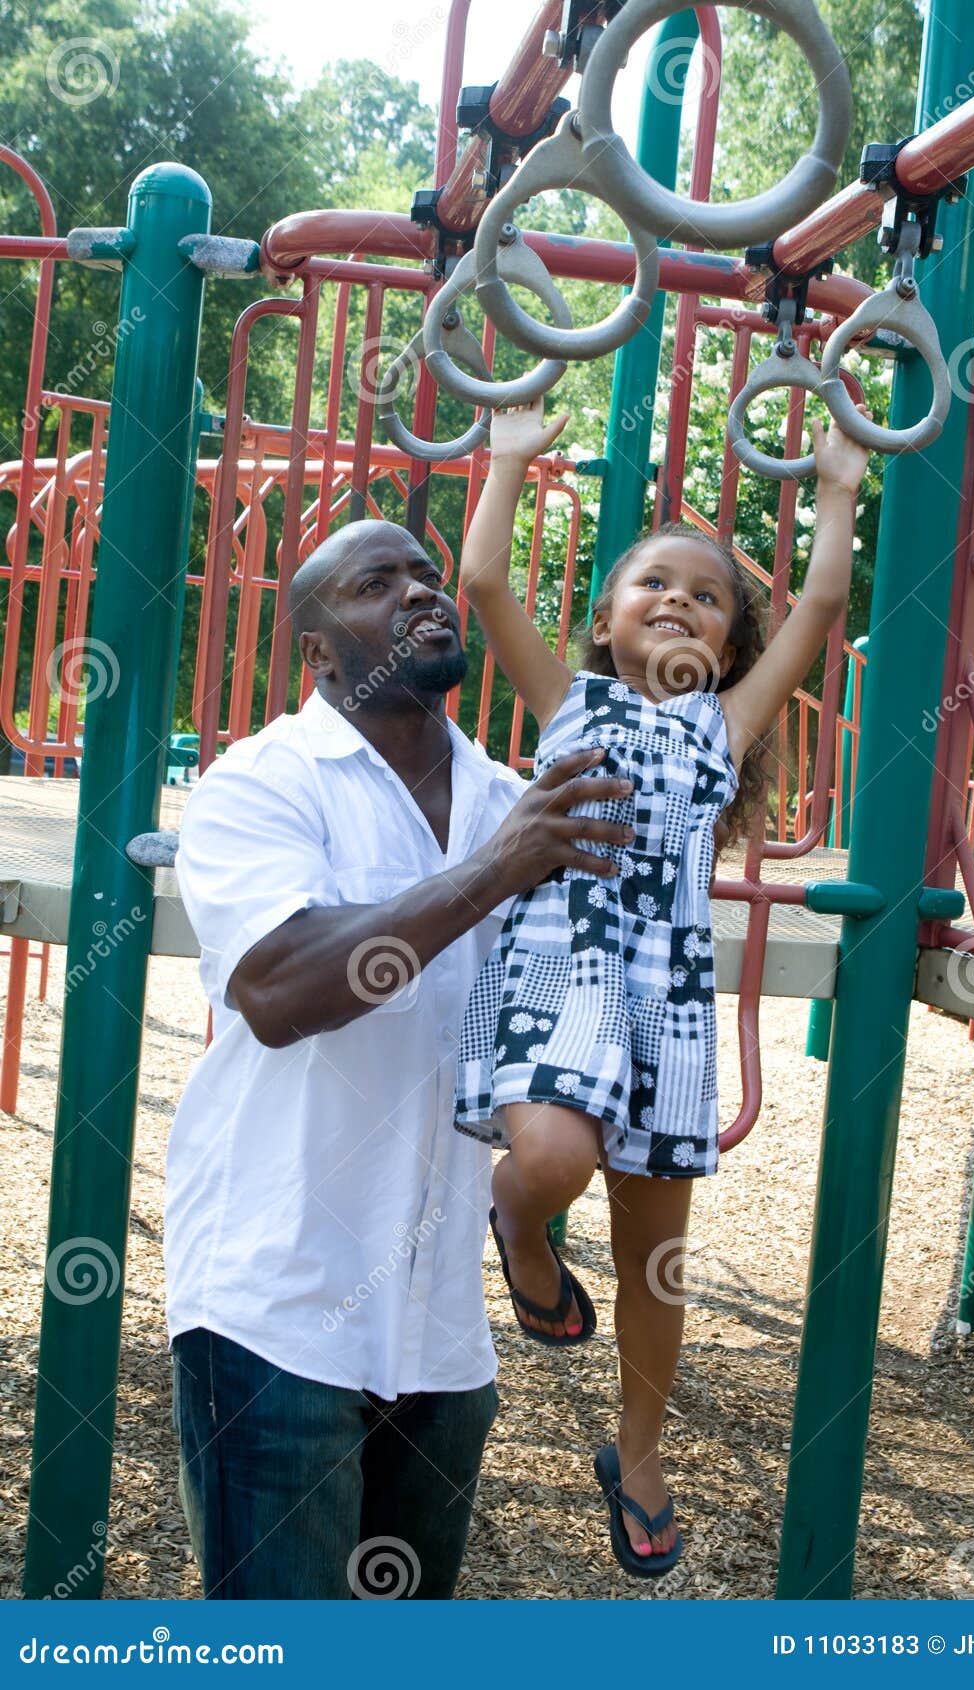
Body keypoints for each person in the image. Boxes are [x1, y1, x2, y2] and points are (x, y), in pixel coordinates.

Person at [164, 518, 635, 1600]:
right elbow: (281, 990)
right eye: (377, 583)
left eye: (428, 573)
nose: (423, 592)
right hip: (272, 1308)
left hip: (436, 1333)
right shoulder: (260, 783)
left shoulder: (509, 798)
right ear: (321, 652)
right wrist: (495, 870)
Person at [454, 400, 870, 1577]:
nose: (681, 601)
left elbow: (823, 610)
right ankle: (518, 1225)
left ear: (729, 649)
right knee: (549, 1159)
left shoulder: (720, 729)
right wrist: (508, 456)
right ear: (604, 617)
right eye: (655, 584)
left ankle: (637, 1454)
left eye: (706, 596)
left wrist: (836, 488)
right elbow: (484, 578)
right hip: (557, 968)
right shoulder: (567, 702)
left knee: (654, 1256)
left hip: (663, 1000)